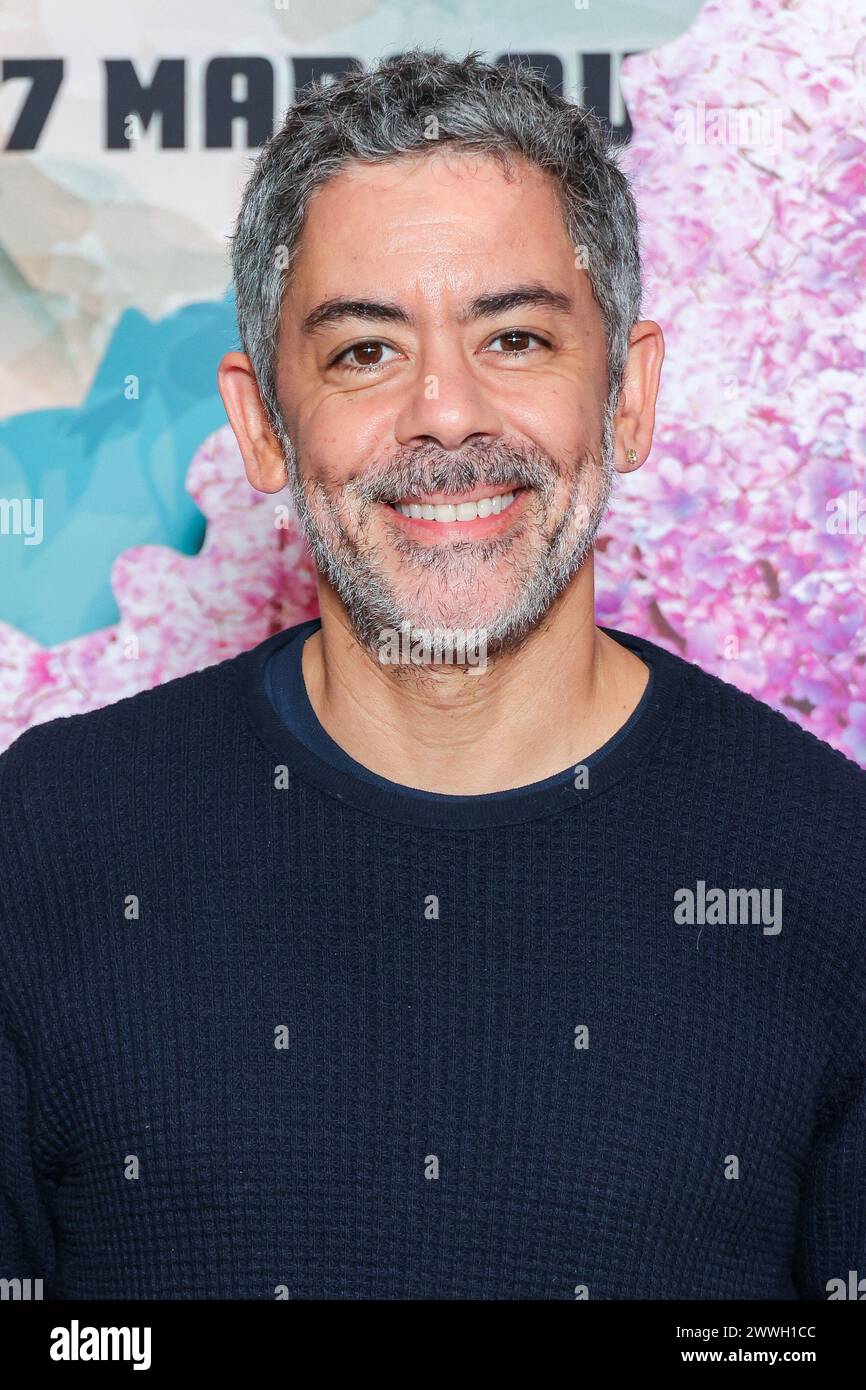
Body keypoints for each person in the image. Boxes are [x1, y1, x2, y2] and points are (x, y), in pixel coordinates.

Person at [1, 49, 863, 1301]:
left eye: (513, 337)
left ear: (625, 395)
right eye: (363, 352)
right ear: (258, 425)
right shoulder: (44, 842)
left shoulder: (830, 873)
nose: (445, 414)